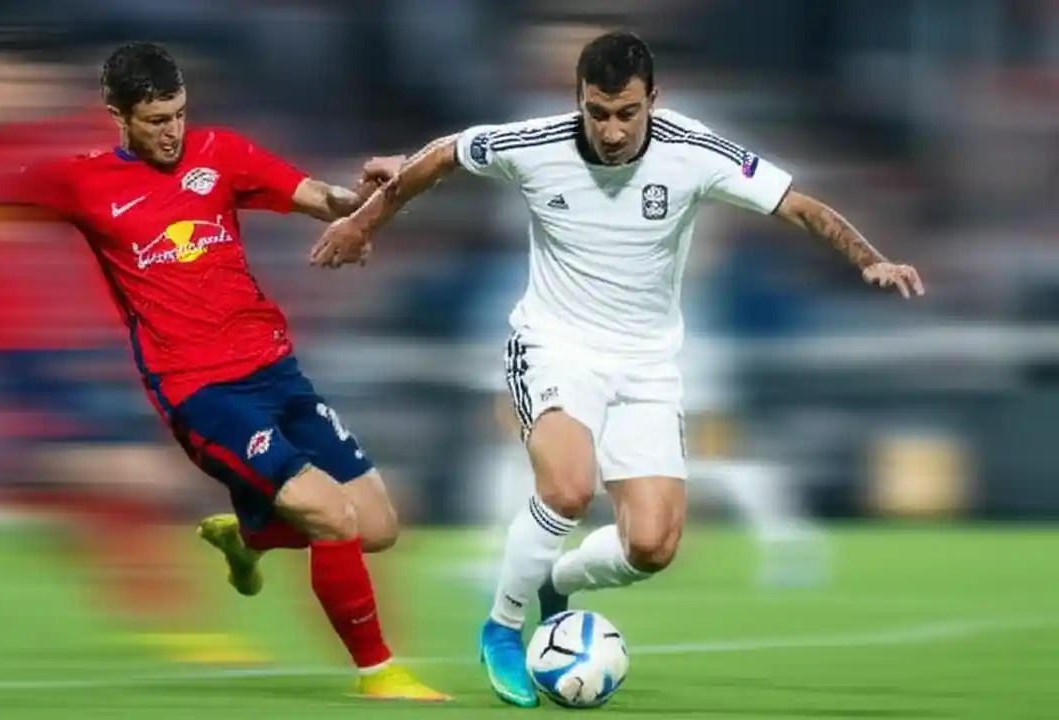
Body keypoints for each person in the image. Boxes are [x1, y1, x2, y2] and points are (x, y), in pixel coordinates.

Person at [311, 29, 924, 707]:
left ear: (652, 100)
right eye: (596, 112)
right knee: (568, 489)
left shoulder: (695, 151)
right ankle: (502, 627)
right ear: (578, 100)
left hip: (649, 365)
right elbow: (442, 156)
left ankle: (553, 577)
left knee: (652, 545)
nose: (610, 129)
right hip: (553, 345)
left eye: (626, 113)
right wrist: (364, 223)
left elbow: (799, 205)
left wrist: (870, 257)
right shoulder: (533, 144)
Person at [4, 41, 445, 701]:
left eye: (178, 114)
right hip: (200, 390)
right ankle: (379, 673)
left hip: (277, 372)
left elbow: (322, 198)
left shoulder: (222, 154)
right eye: (155, 120)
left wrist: (369, 198)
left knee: (378, 527)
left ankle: (249, 534)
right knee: (331, 515)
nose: (171, 131)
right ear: (116, 115)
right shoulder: (81, 180)